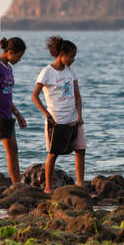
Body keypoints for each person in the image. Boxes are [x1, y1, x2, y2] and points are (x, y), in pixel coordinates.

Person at [30, 35, 85, 192]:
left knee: (80, 149)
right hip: (57, 120)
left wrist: (79, 115)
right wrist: (47, 114)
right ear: (62, 54)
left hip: (73, 118)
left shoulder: (71, 71)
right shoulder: (47, 72)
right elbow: (34, 96)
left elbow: (77, 94)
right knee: (53, 154)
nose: (73, 59)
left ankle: (80, 184)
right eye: (71, 56)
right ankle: (48, 187)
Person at [0, 37, 28, 186]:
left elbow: (7, 94)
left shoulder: (9, 68)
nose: (19, 60)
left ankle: (17, 185)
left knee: (13, 150)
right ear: (10, 52)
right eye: (18, 56)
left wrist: (18, 114)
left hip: (6, 115)